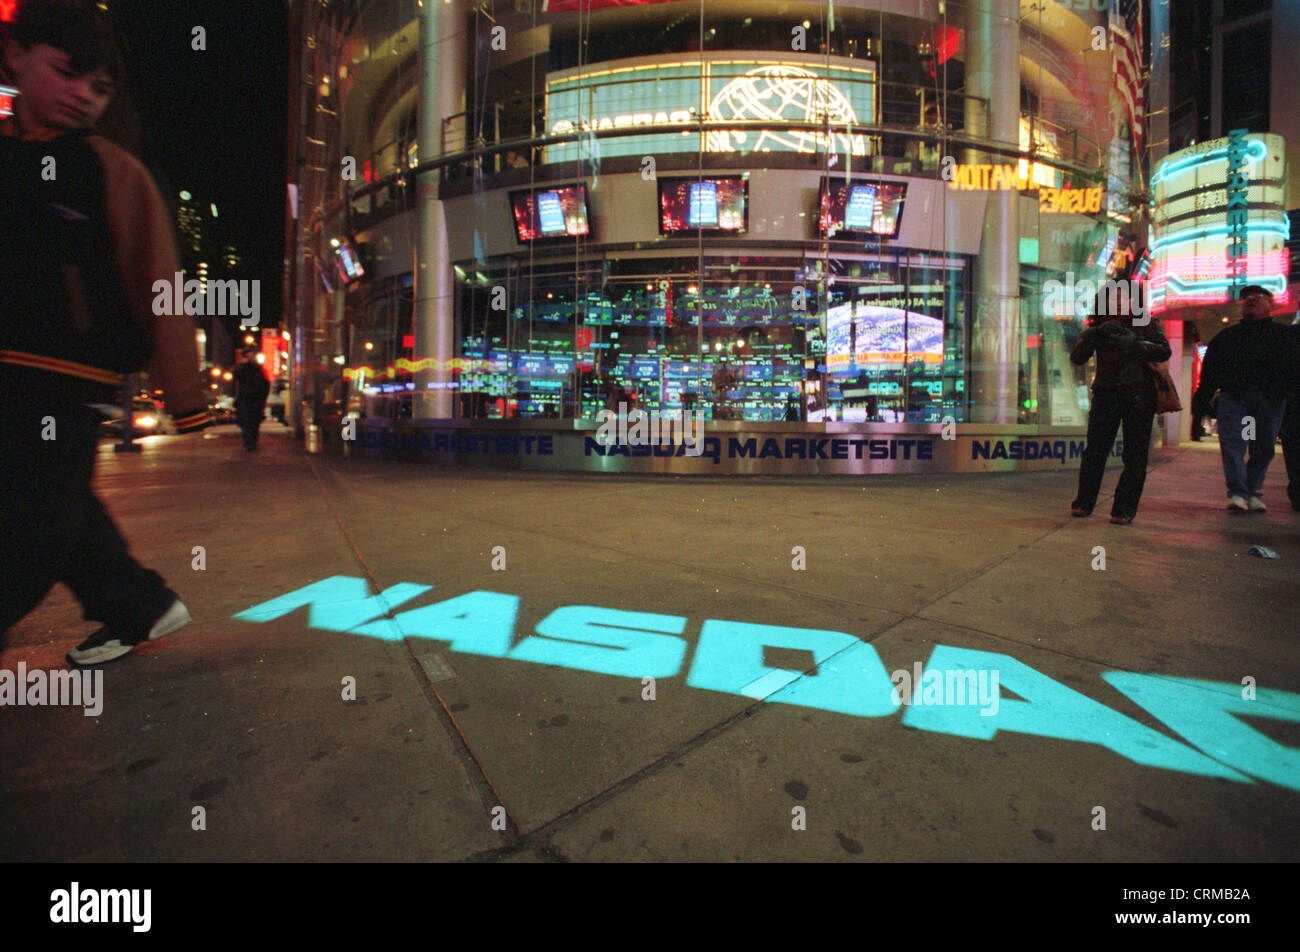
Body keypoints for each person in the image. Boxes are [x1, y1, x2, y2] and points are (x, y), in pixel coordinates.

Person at [0, 1, 211, 666]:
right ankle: (138, 605)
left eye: (97, 87)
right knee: (56, 504)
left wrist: (187, 397)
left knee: (31, 522)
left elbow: (159, 282)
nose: (80, 96)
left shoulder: (110, 171)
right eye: (66, 73)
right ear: (15, 55)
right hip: (10, 375)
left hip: (69, 379)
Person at [1069, 277, 1170, 524]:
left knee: (1135, 456)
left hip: (1139, 396)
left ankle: (1123, 510)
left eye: (1123, 296)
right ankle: (1084, 503)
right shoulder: (1098, 326)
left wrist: (1135, 344)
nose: (1117, 301)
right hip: (1106, 393)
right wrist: (1092, 336)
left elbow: (1164, 350)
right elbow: (1078, 358)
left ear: (1134, 300)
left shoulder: (1147, 323)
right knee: (1095, 451)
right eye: (1112, 297)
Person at [1195, 286, 1295, 512]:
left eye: (1259, 297)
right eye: (1248, 297)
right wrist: (1203, 399)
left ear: (1271, 304)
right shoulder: (1227, 337)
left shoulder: (1284, 336)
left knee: (1263, 446)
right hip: (1235, 399)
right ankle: (1239, 492)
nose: (1252, 300)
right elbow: (1210, 372)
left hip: (1269, 400)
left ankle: (1251, 491)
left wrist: (1286, 391)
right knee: (1234, 444)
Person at [233, 345, 270, 450]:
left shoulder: (258, 369)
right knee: (247, 421)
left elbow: (265, 384)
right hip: (246, 400)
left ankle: (251, 441)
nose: (250, 357)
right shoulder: (243, 369)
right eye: (247, 356)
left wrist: (262, 399)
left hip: (254, 400)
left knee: (253, 422)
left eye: (251, 355)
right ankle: (249, 442)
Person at [1280, 315, 1300, 511]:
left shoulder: (1287, 335)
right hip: (1292, 403)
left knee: (1293, 448)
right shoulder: (1288, 335)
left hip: (1291, 402)